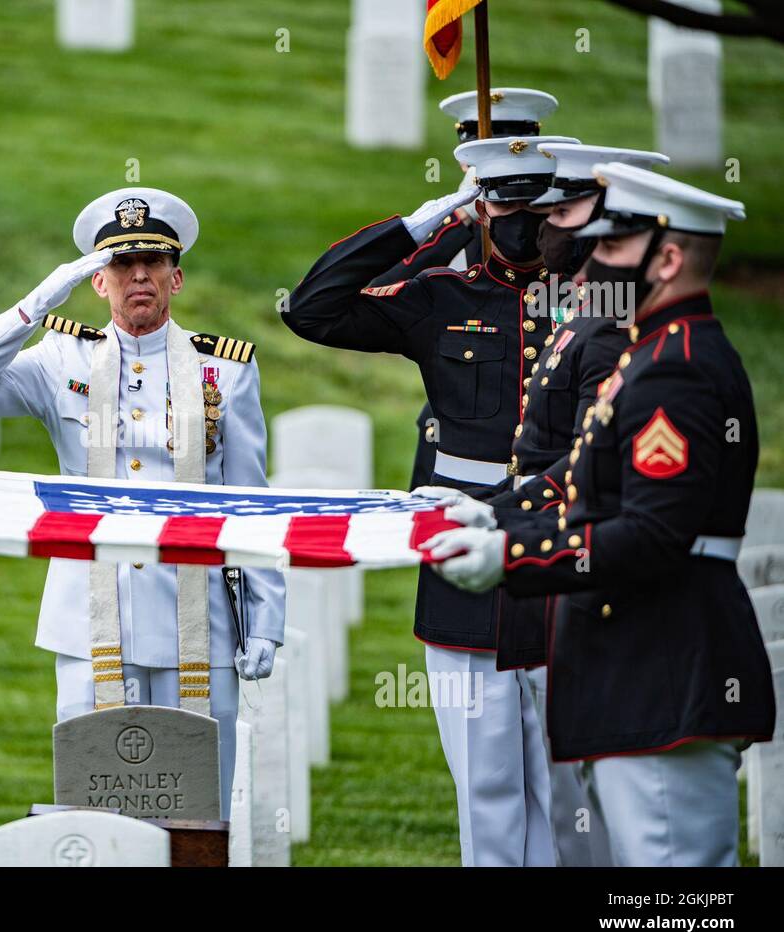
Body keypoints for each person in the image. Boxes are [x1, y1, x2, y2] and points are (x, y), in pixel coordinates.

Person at [425, 163, 776, 866]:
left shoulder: (675, 365)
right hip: (636, 663)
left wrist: (513, 558)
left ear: (668, 258)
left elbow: (653, 533)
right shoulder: (652, 353)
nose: (591, 256)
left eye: (613, 247)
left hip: (663, 660)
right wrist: (504, 522)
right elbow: (598, 501)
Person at [282, 134, 585, 865]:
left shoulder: (593, 308)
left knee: (566, 782)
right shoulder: (445, 297)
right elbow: (311, 309)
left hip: (560, 549)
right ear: (482, 207)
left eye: (535, 205)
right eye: (503, 204)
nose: (520, 222)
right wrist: (428, 226)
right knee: (485, 779)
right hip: (460, 557)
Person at [0, 188, 285, 814]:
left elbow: (249, 501)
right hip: (87, 616)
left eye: (152, 263)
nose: (139, 276)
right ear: (98, 281)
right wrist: (37, 303)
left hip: (197, 618)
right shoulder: (59, 358)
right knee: (96, 808)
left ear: (175, 277)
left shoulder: (225, 369)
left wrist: (265, 621)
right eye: (122, 265)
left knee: (195, 812)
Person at [417, 142, 670, 867]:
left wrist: (496, 514)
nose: (543, 224)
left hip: (580, 577)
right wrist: (440, 222)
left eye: (564, 209)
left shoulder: (614, 326)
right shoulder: (576, 312)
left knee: (590, 815)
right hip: (543, 568)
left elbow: (593, 468)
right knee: (528, 799)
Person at [371, 89, 560, 492]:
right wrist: (457, 221)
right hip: (457, 425)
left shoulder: (539, 219)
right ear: (464, 156)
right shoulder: (451, 220)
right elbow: (376, 292)